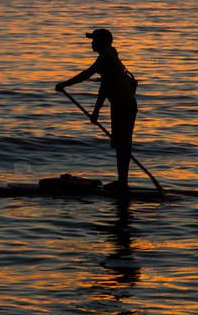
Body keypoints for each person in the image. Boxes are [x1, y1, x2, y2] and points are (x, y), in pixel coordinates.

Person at [55, 29, 138, 194]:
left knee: (123, 145)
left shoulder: (107, 58)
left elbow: (87, 75)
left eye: (94, 41)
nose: (91, 44)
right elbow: (105, 86)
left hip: (124, 106)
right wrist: (96, 111)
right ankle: (122, 182)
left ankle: (123, 183)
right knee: (120, 144)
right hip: (120, 105)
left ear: (102, 43)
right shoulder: (108, 56)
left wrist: (64, 84)